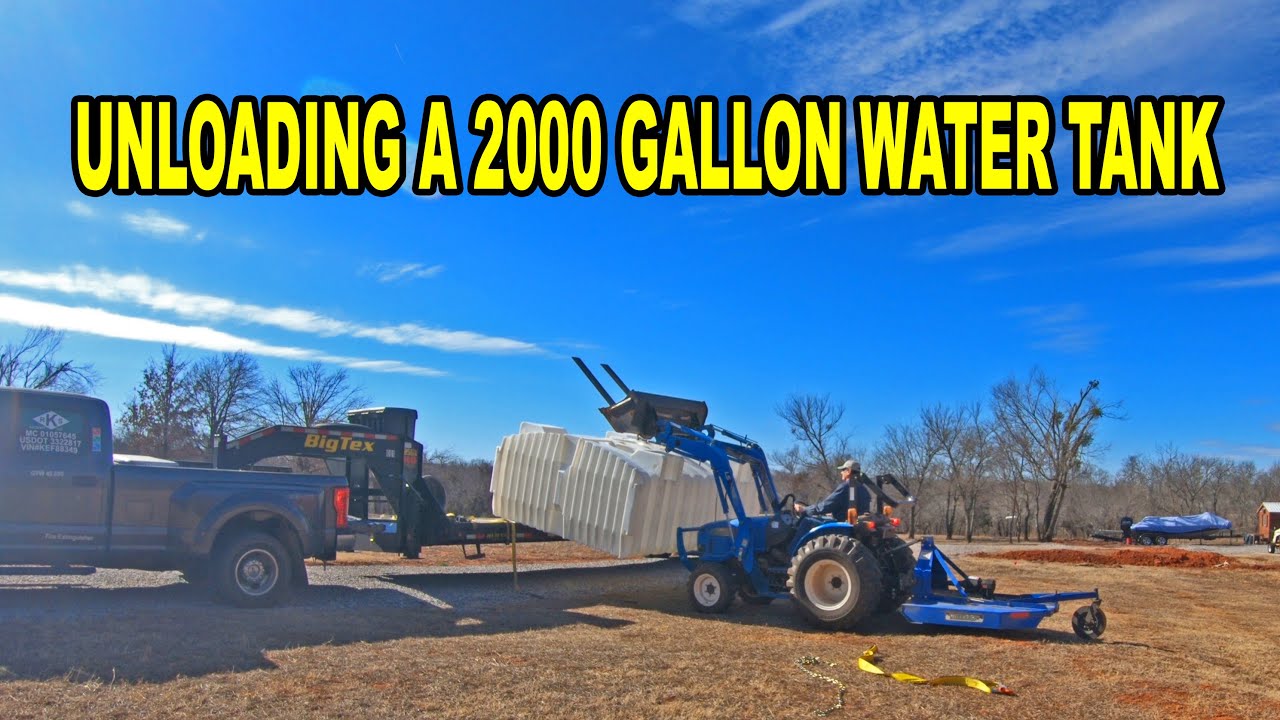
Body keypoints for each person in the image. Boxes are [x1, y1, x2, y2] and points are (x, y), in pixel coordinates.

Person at [793, 459, 872, 519]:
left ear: (848, 471)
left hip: (846, 524)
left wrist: (805, 510)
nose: (841, 472)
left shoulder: (846, 487)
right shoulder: (863, 489)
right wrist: (832, 514)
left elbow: (826, 505)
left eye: (843, 470)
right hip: (856, 521)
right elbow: (851, 508)